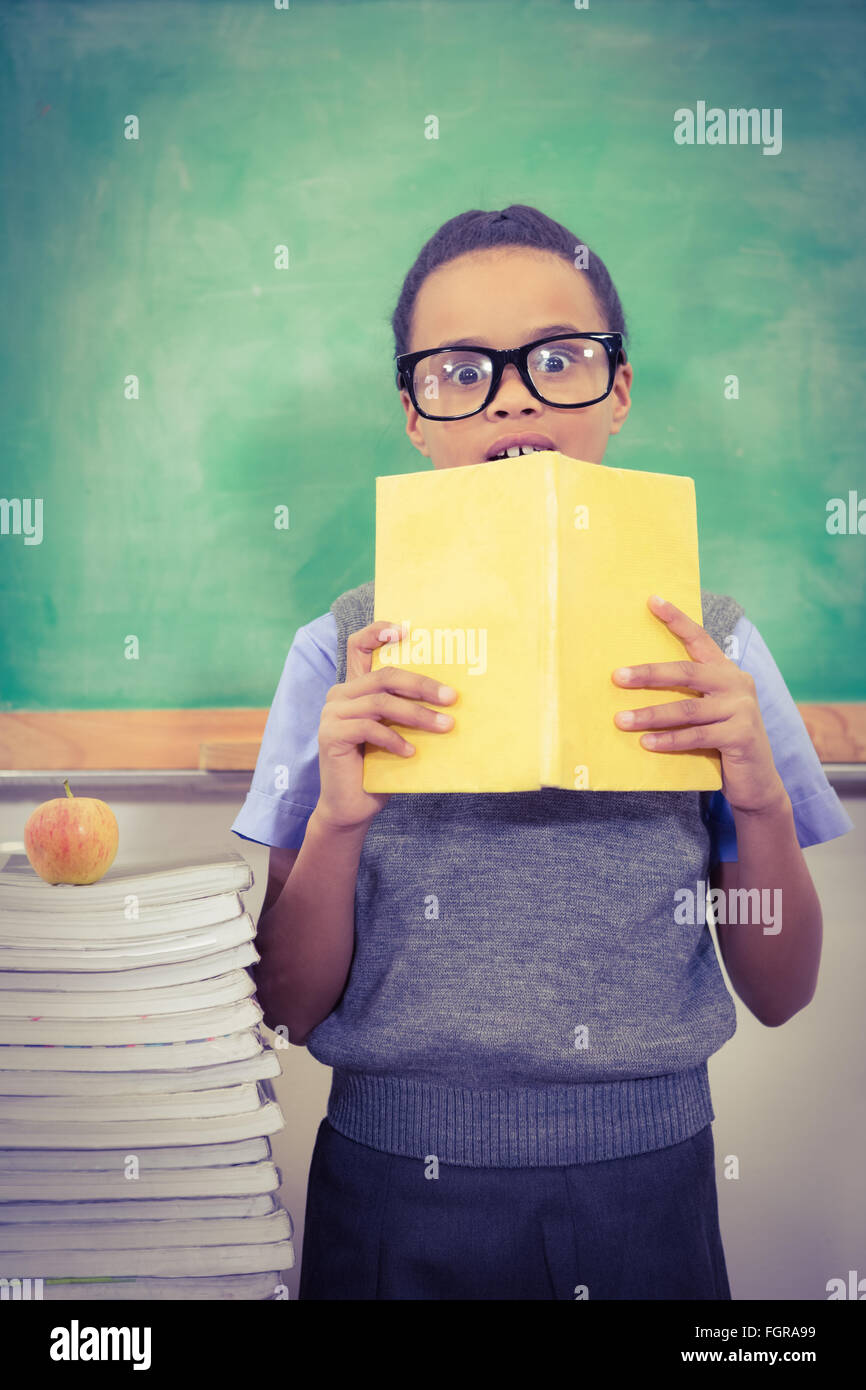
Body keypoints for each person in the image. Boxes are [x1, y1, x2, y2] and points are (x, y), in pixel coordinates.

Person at [232, 204, 854, 1300]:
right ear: (413, 414)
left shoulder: (713, 649)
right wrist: (336, 821)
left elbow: (782, 989)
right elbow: (285, 1002)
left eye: (558, 359)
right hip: (389, 1184)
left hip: (645, 1182)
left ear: (617, 390)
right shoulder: (339, 652)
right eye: (459, 370)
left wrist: (755, 800)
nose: (513, 394)